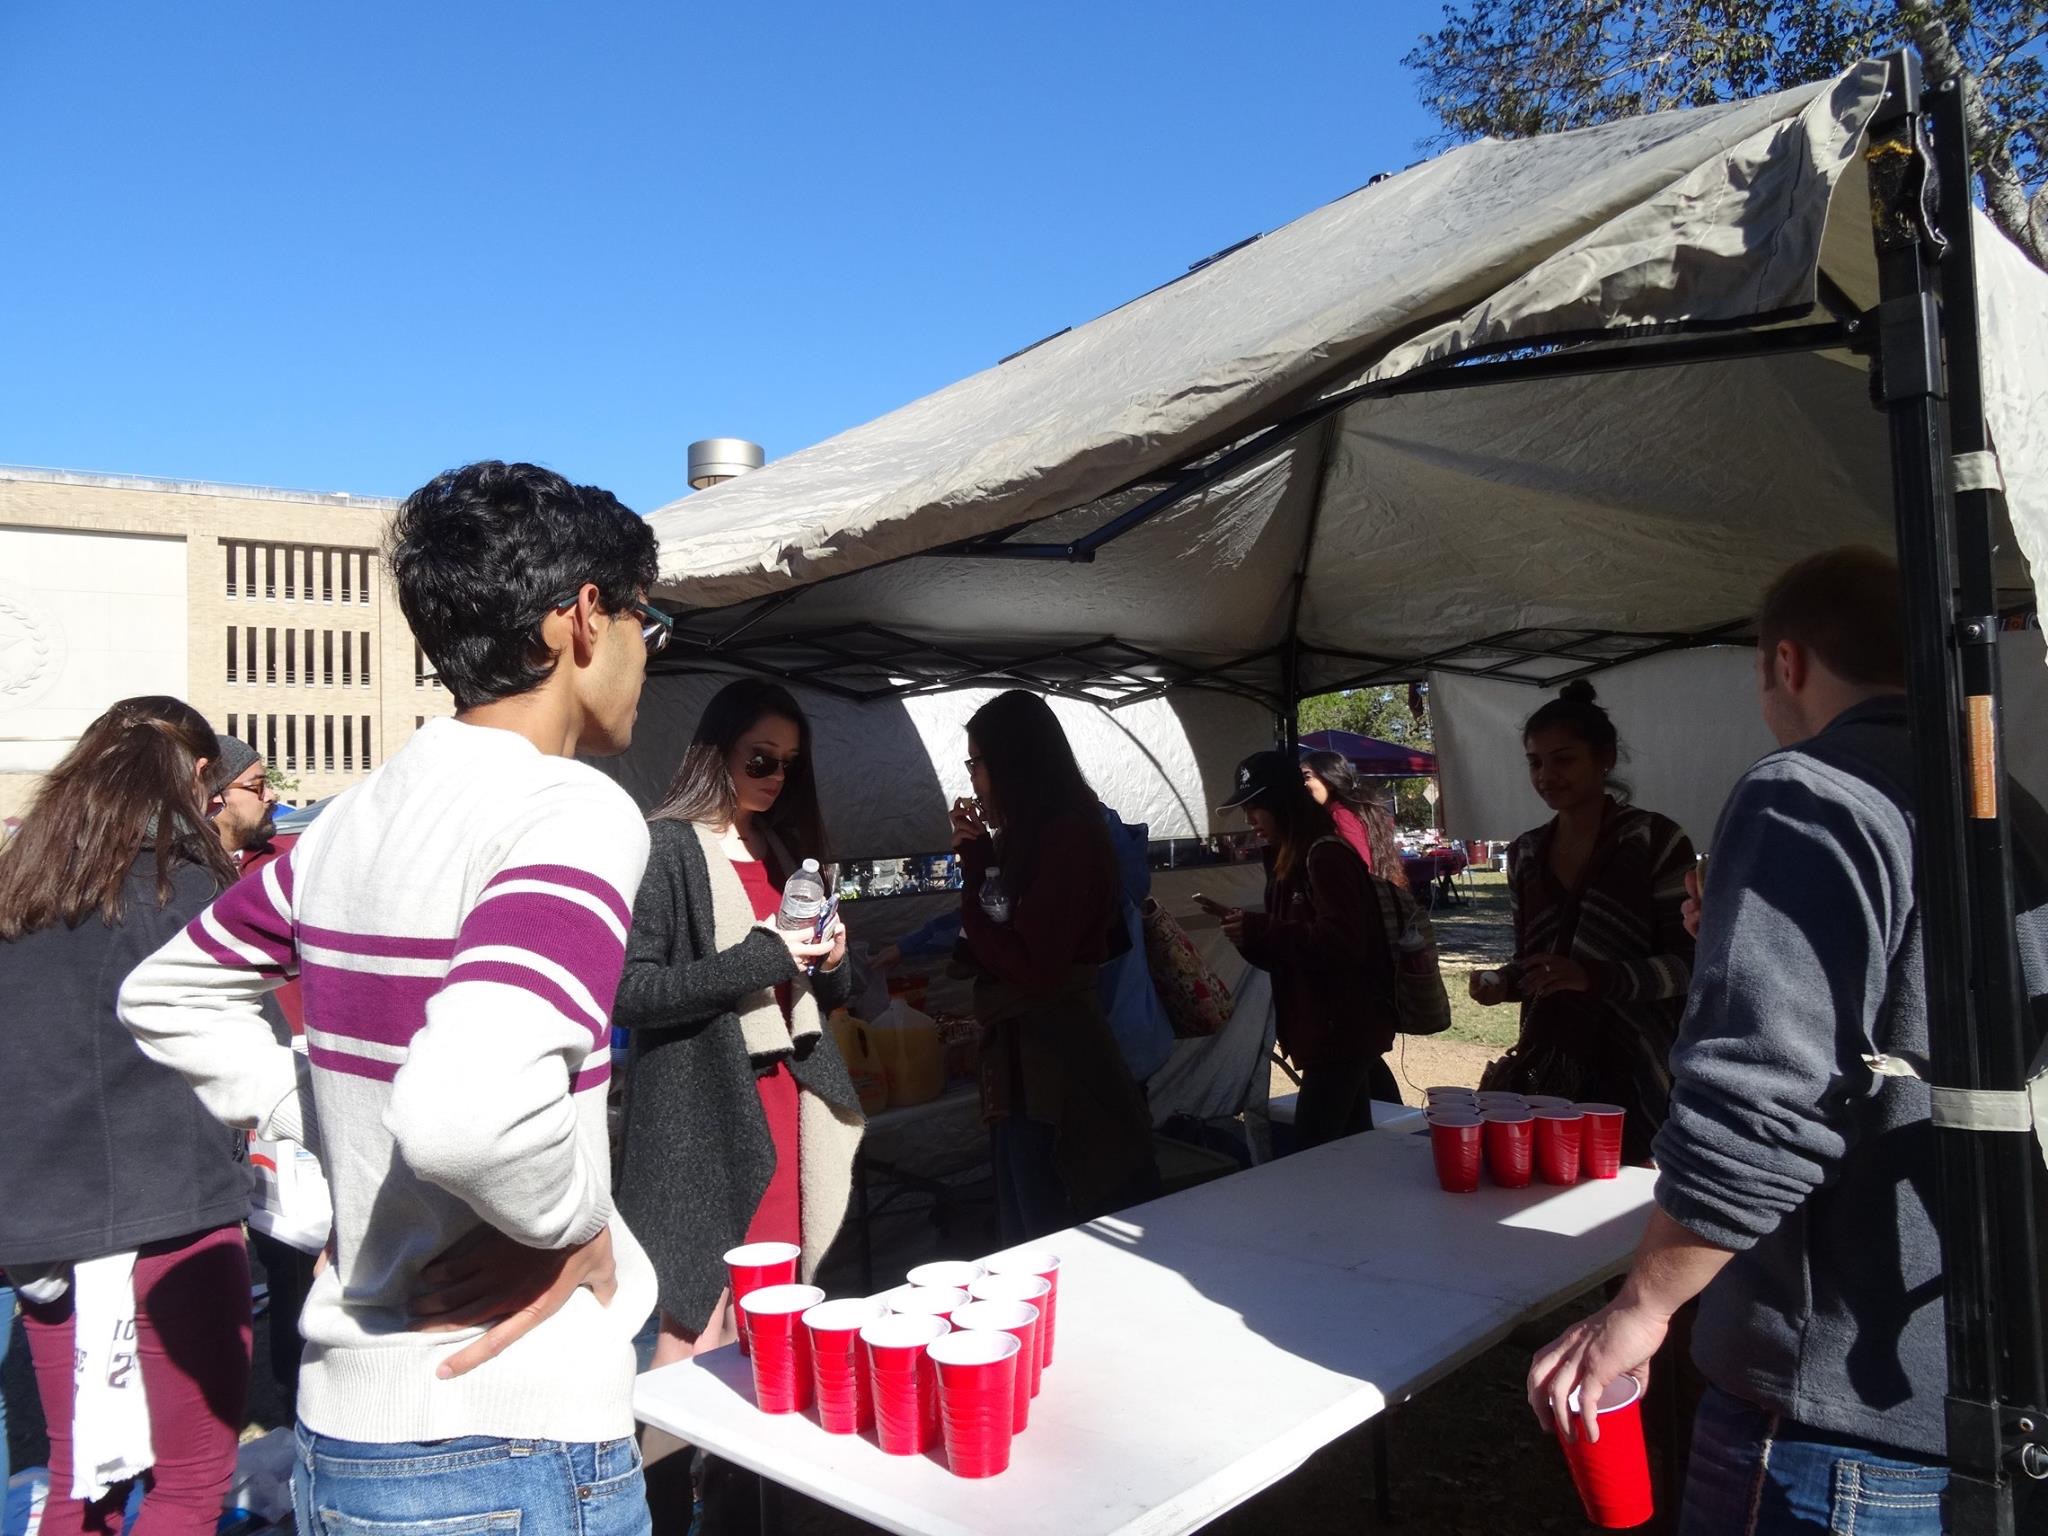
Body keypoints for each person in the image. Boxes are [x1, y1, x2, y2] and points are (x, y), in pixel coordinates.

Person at [118, 461, 667, 1536]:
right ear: (584, 617)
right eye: (650, 621)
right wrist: (574, 1226)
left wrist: (309, 1113)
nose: (650, 654)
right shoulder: (569, 812)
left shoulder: (359, 818)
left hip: (349, 1436)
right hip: (509, 1433)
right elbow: (467, 1111)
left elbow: (164, 994)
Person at [1527, 547, 2048, 1534]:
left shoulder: (1807, 787)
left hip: (1829, 1400)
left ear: (1787, 664)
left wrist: (1639, 1308)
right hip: (1958, 1368)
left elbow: (1762, 1099)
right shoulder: (1997, 799)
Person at [0, 696, 252, 1536]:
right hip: (167, 1210)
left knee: (79, 1483)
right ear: (200, 781)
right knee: (189, 1484)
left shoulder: (20, 890)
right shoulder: (184, 890)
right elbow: (254, 1049)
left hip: (41, 1225)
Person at [613, 677, 863, 1371]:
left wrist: (833, 959)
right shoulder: (667, 848)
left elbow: (823, 989)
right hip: (698, 1113)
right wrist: (763, 956)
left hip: (784, 1102)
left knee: (773, 1309)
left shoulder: (787, 855)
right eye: (761, 759)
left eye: (790, 763)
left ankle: (743, 1481)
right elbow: (629, 994)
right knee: (695, 1324)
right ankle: (666, 1481)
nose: (778, 777)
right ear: (716, 753)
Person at [951, 691, 1159, 1241]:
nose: (974, 778)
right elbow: (1007, 926)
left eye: (978, 763)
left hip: (1054, 1055)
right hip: (1029, 1055)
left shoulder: (1068, 833)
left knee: (1048, 1224)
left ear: (1013, 761)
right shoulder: (1030, 832)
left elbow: (1032, 963)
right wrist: (977, 857)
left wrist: (974, 905)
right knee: (1027, 1213)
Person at [1469, 681, 1694, 1163]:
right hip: (1550, 1062)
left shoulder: (1655, 840)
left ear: (1605, 758)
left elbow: (1691, 966)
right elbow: (1533, 963)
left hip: (1634, 1062)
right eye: (1535, 762)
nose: (1546, 775)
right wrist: (1503, 983)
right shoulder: (1525, 852)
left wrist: (1594, 978)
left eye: (1563, 759)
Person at [201, 735, 320, 1411]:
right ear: (214, 791)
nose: (271, 793)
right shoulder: (180, 877)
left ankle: (301, 1398)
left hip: (298, 1065)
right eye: (255, 783)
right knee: (257, 1239)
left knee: (297, 1239)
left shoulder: (290, 861)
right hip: (219, 1078)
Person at [1214, 750, 1397, 1147]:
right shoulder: (1288, 860)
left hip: (1339, 1029)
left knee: (1313, 1150)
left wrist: (1260, 929)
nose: (1250, 820)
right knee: (1351, 1144)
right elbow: (1291, 948)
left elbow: (1342, 943)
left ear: (1281, 803)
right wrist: (1248, 937)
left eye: (1256, 807)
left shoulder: (1325, 855)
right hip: (1329, 1030)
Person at [1301, 749, 1405, 883]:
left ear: (1329, 778)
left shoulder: (1341, 814)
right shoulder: (1358, 810)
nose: (1302, 785)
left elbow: (1361, 865)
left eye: (1307, 777)